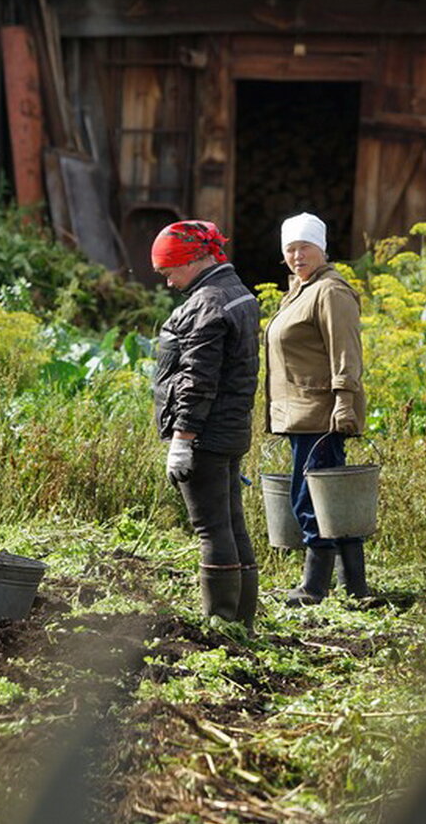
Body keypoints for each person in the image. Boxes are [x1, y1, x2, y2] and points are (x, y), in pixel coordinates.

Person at [151, 221, 261, 629]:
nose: (168, 282)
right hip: (231, 427)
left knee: (211, 528)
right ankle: (243, 620)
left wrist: (182, 439)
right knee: (232, 522)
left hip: (206, 434)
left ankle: (221, 621)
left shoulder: (207, 302)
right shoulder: (237, 294)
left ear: (192, 260)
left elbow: (199, 379)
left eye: (168, 272)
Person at [265, 212, 367, 605]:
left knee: (313, 496)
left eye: (304, 246)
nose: (296, 254)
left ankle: (315, 587)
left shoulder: (330, 291)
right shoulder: (300, 289)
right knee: (325, 496)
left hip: (320, 412)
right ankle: (352, 587)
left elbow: (346, 352)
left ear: (321, 248)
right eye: (290, 248)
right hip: (300, 412)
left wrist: (344, 403)